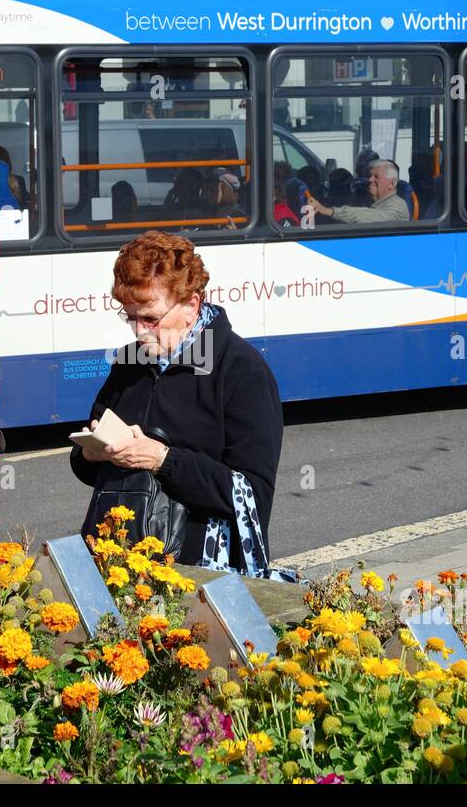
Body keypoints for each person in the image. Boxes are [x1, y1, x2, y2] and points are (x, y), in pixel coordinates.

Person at [69, 231, 286, 576]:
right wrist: (91, 453)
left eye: (151, 319)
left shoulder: (242, 371)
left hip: (200, 568)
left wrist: (162, 459)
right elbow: (87, 468)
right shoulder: (129, 363)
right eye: (130, 317)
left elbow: (252, 496)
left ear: (191, 306)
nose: (139, 331)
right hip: (119, 560)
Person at [305, 159, 408, 224]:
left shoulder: (398, 207)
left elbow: (365, 216)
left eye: (376, 177)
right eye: (369, 176)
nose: (370, 180)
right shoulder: (369, 200)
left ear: (391, 183)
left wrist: (329, 211)